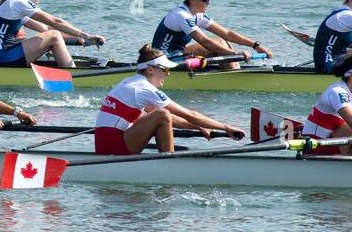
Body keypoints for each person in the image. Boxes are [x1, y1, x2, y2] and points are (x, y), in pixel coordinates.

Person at [93, 45, 246, 155]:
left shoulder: (130, 82)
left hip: (107, 145)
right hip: (112, 148)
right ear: (150, 69)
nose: (168, 74)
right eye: (165, 69)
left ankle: (166, 159)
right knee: (162, 114)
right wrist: (226, 127)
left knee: (161, 115)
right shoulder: (144, 88)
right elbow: (190, 114)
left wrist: (196, 127)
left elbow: (158, 117)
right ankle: (169, 161)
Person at [0, 0, 106, 68]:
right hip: (2, 58)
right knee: (54, 36)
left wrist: (80, 38)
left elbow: (45, 28)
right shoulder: (18, 2)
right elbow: (55, 23)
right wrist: (87, 35)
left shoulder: (14, 3)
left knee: (51, 35)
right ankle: (73, 76)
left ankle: (66, 67)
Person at [151, 0, 271, 70]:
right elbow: (205, 41)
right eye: (205, 0)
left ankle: (234, 71)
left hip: (180, 54)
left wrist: (255, 45)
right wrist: (235, 54)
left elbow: (227, 33)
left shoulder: (198, 15)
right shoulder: (180, 14)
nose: (208, 3)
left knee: (222, 41)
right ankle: (234, 77)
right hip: (165, 59)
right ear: (192, 0)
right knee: (218, 44)